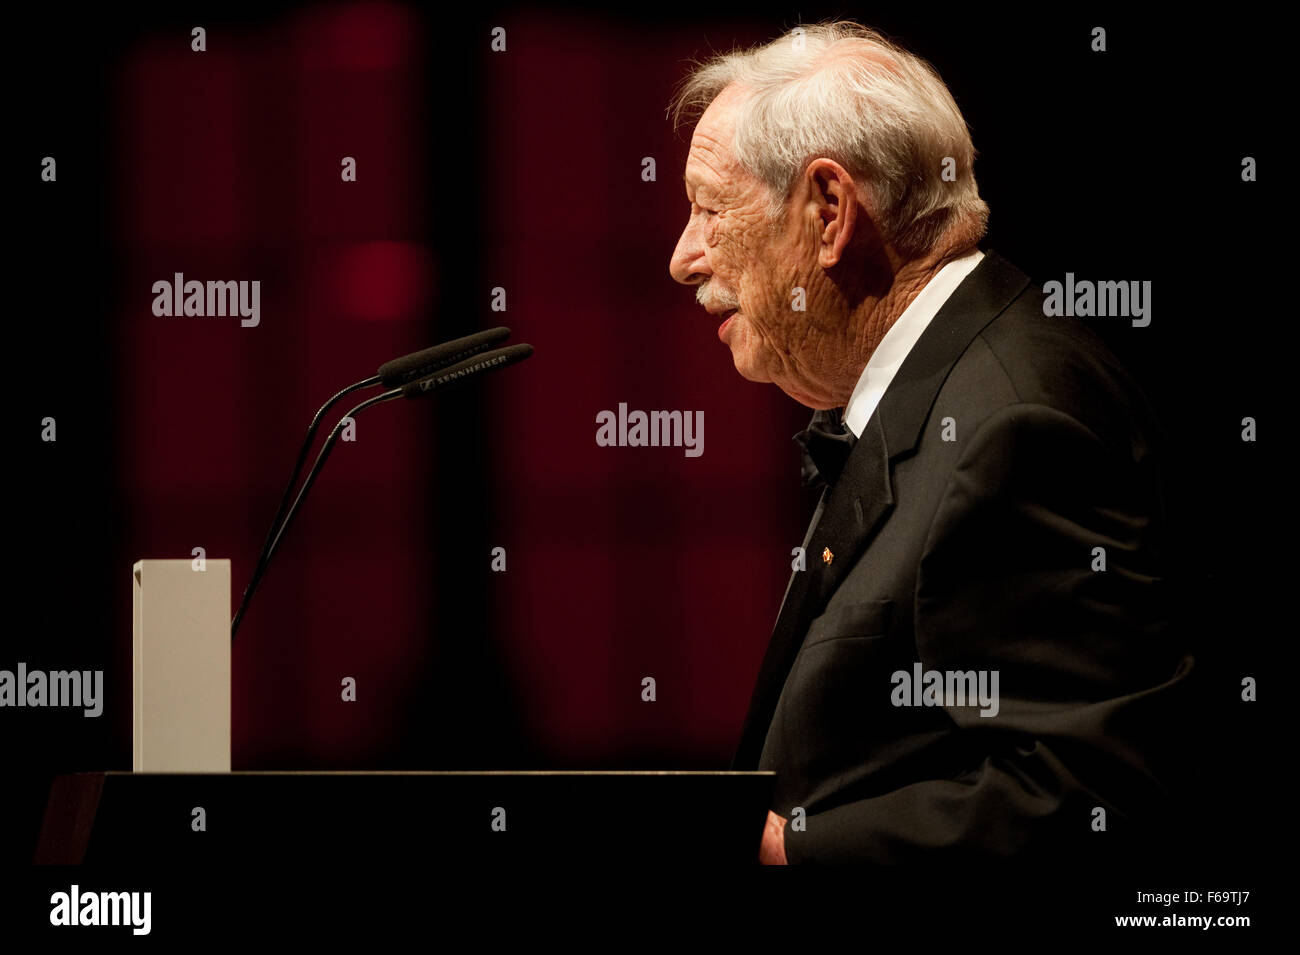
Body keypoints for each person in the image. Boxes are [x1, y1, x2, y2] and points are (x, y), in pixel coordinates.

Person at [668, 21, 1192, 865]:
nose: (682, 258)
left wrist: (791, 850)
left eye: (708, 209)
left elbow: (1092, 794)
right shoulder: (944, 389)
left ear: (830, 211)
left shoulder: (1019, 424)